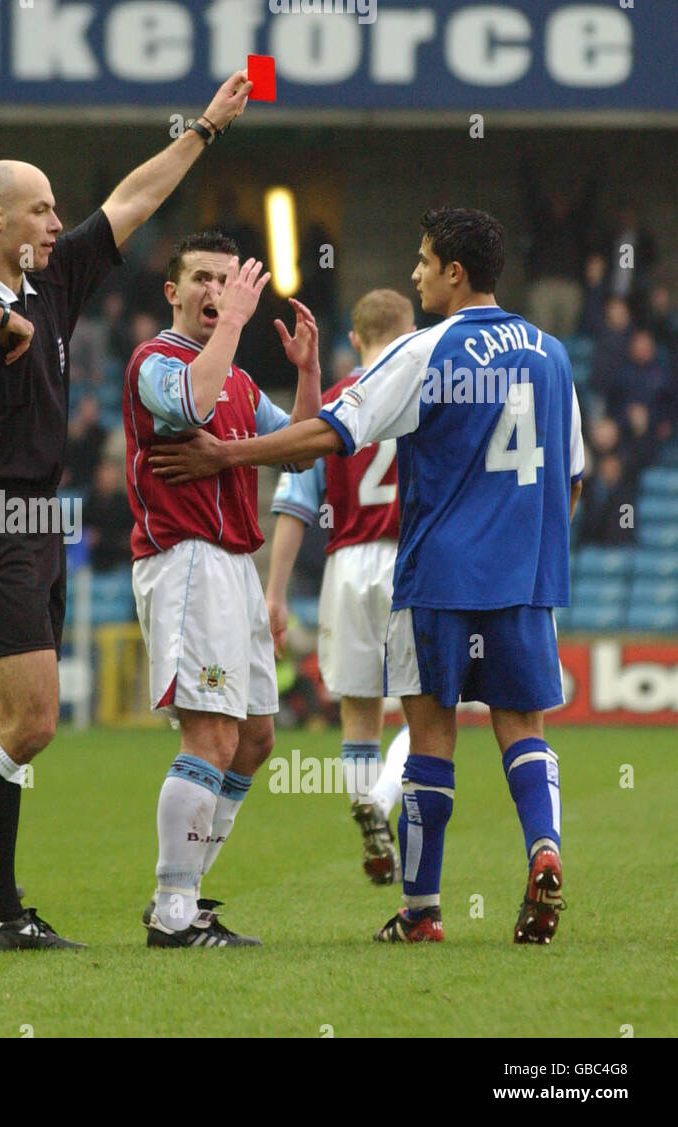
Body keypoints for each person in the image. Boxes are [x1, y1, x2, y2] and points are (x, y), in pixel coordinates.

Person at [0, 69, 259, 954]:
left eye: (56, 212)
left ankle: (4, 914)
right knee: (33, 723)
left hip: (36, 521)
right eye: (44, 210)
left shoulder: (54, 279)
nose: (59, 223)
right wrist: (0, 325)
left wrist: (205, 128)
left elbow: (132, 198)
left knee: (7, 732)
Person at [150, 208, 583, 946]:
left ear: (454, 271)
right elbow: (571, 476)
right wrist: (535, 550)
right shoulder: (552, 354)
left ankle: (421, 911)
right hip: (524, 577)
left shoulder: (425, 349)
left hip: (439, 576)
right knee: (524, 729)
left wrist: (227, 456)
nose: (413, 275)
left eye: (422, 262)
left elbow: (330, 432)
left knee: (428, 738)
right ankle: (544, 847)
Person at [123, 231, 320, 947]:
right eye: (200, 278)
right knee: (210, 734)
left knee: (256, 738)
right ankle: (173, 912)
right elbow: (189, 410)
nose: (215, 290)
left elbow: (300, 441)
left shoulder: (237, 378)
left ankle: (188, 896)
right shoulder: (156, 360)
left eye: (225, 279)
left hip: (235, 563)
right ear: (171, 291)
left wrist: (306, 369)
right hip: (187, 560)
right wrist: (235, 321)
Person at [265, 289, 417, 886]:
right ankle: (381, 803)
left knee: (358, 714)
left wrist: (275, 593)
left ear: (354, 339)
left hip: (347, 566)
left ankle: (367, 809)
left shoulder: (334, 401)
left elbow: (294, 504)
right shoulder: (423, 392)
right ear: (411, 334)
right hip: (412, 560)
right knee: (429, 711)